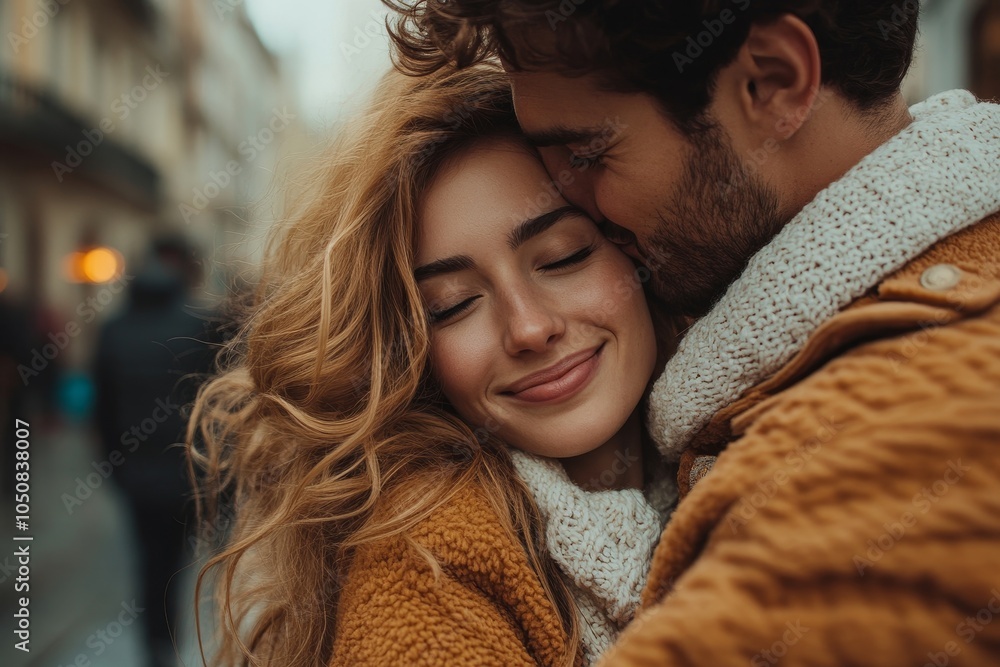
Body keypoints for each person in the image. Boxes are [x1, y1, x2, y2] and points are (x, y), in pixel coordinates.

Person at [385, 1, 1000, 665]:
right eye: (451, 303)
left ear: (772, 81)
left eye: (589, 152)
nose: (569, 193)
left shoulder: (910, 426)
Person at [187, 64, 683, 667]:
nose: (529, 328)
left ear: (635, 248)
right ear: (408, 353)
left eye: (563, 257)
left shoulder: (760, 421)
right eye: (453, 306)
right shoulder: (421, 564)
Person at [95, 235, 220, 667]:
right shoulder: (197, 324)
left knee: (149, 562)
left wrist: (114, 466)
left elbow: (102, 410)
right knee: (178, 559)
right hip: (185, 468)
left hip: (135, 470)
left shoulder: (113, 329)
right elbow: (215, 402)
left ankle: (156, 648)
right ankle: (172, 640)